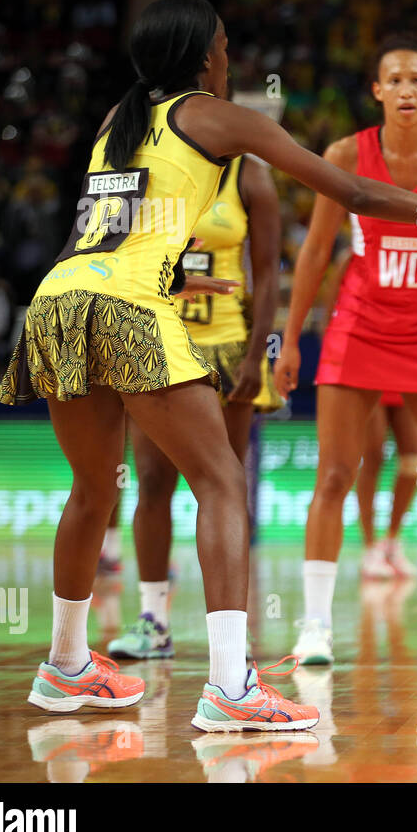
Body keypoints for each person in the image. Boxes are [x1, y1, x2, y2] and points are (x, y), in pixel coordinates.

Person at [0, 0, 417, 731]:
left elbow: (108, 233)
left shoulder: (116, 121)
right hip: (126, 309)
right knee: (224, 481)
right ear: (204, 56)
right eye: (224, 45)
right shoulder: (213, 114)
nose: (230, 58)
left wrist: (176, 273)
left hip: (62, 299)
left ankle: (65, 666)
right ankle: (231, 687)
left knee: (92, 491)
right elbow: (352, 191)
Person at [275, 37, 417, 664]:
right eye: (394, 80)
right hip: (357, 327)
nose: (406, 89)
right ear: (378, 92)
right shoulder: (347, 154)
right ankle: (316, 627)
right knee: (332, 476)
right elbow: (317, 249)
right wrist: (291, 339)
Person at [106, 151, 283, 660]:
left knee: (227, 486)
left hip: (227, 347)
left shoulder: (249, 173)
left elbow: (268, 273)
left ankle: (231, 627)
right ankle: (153, 619)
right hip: (158, 343)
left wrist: (257, 353)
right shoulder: (150, 167)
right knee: (153, 481)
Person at [355, 393, 417, 579]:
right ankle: (370, 547)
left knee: (415, 461)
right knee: (373, 457)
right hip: (373, 377)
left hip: (406, 379)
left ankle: (391, 543)